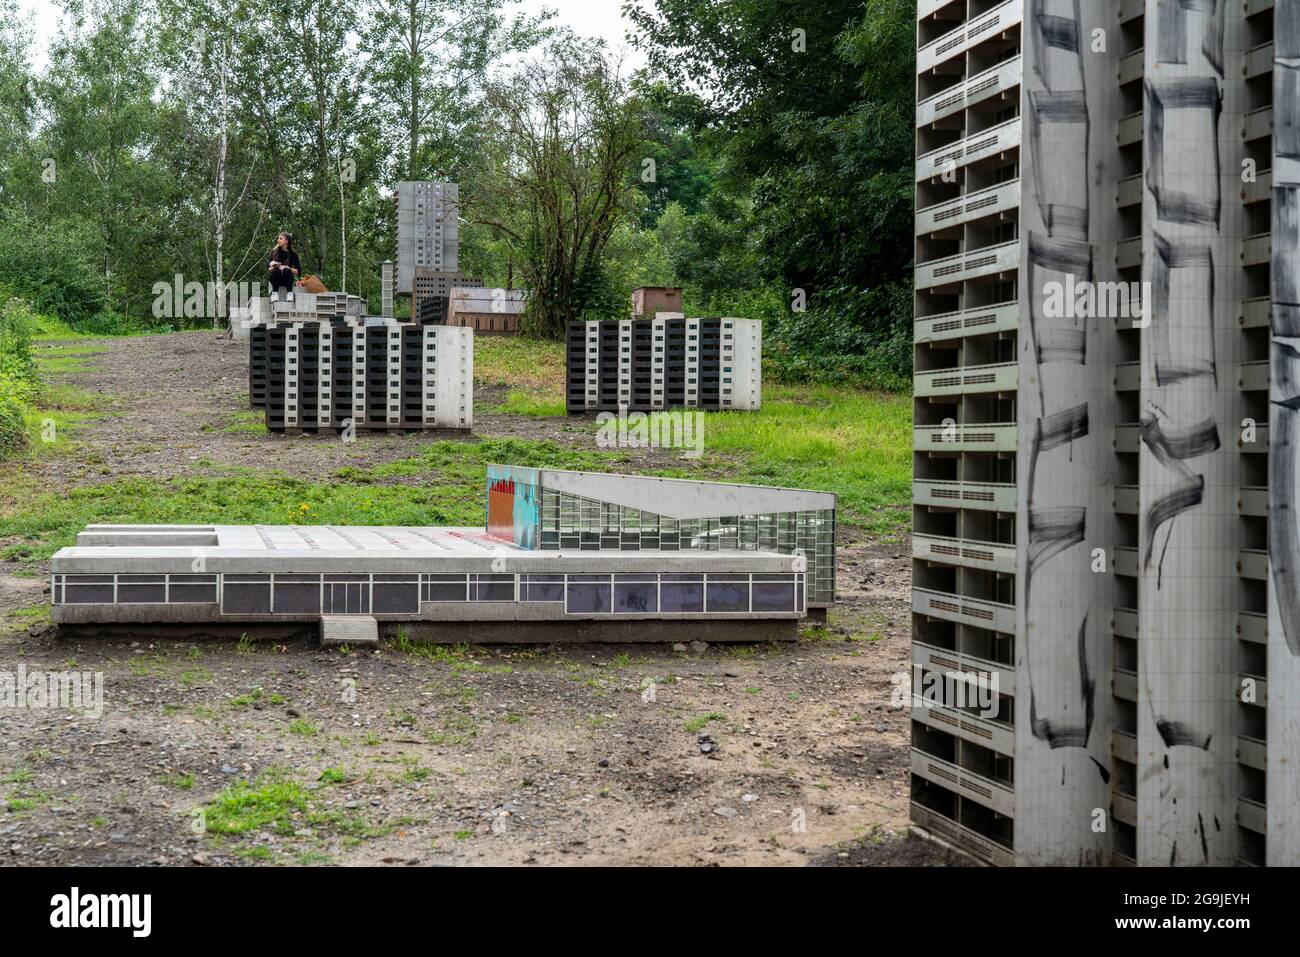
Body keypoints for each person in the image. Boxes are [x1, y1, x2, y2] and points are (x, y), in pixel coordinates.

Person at [267, 232, 301, 300]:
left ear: (286, 241)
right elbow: (269, 269)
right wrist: (275, 266)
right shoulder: (274, 252)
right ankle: (274, 294)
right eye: (278, 238)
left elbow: (298, 271)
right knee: (278, 270)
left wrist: (287, 268)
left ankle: (289, 293)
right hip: (276, 279)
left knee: (286, 270)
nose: (278, 240)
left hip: (287, 279)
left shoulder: (293, 254)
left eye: (280, 239)